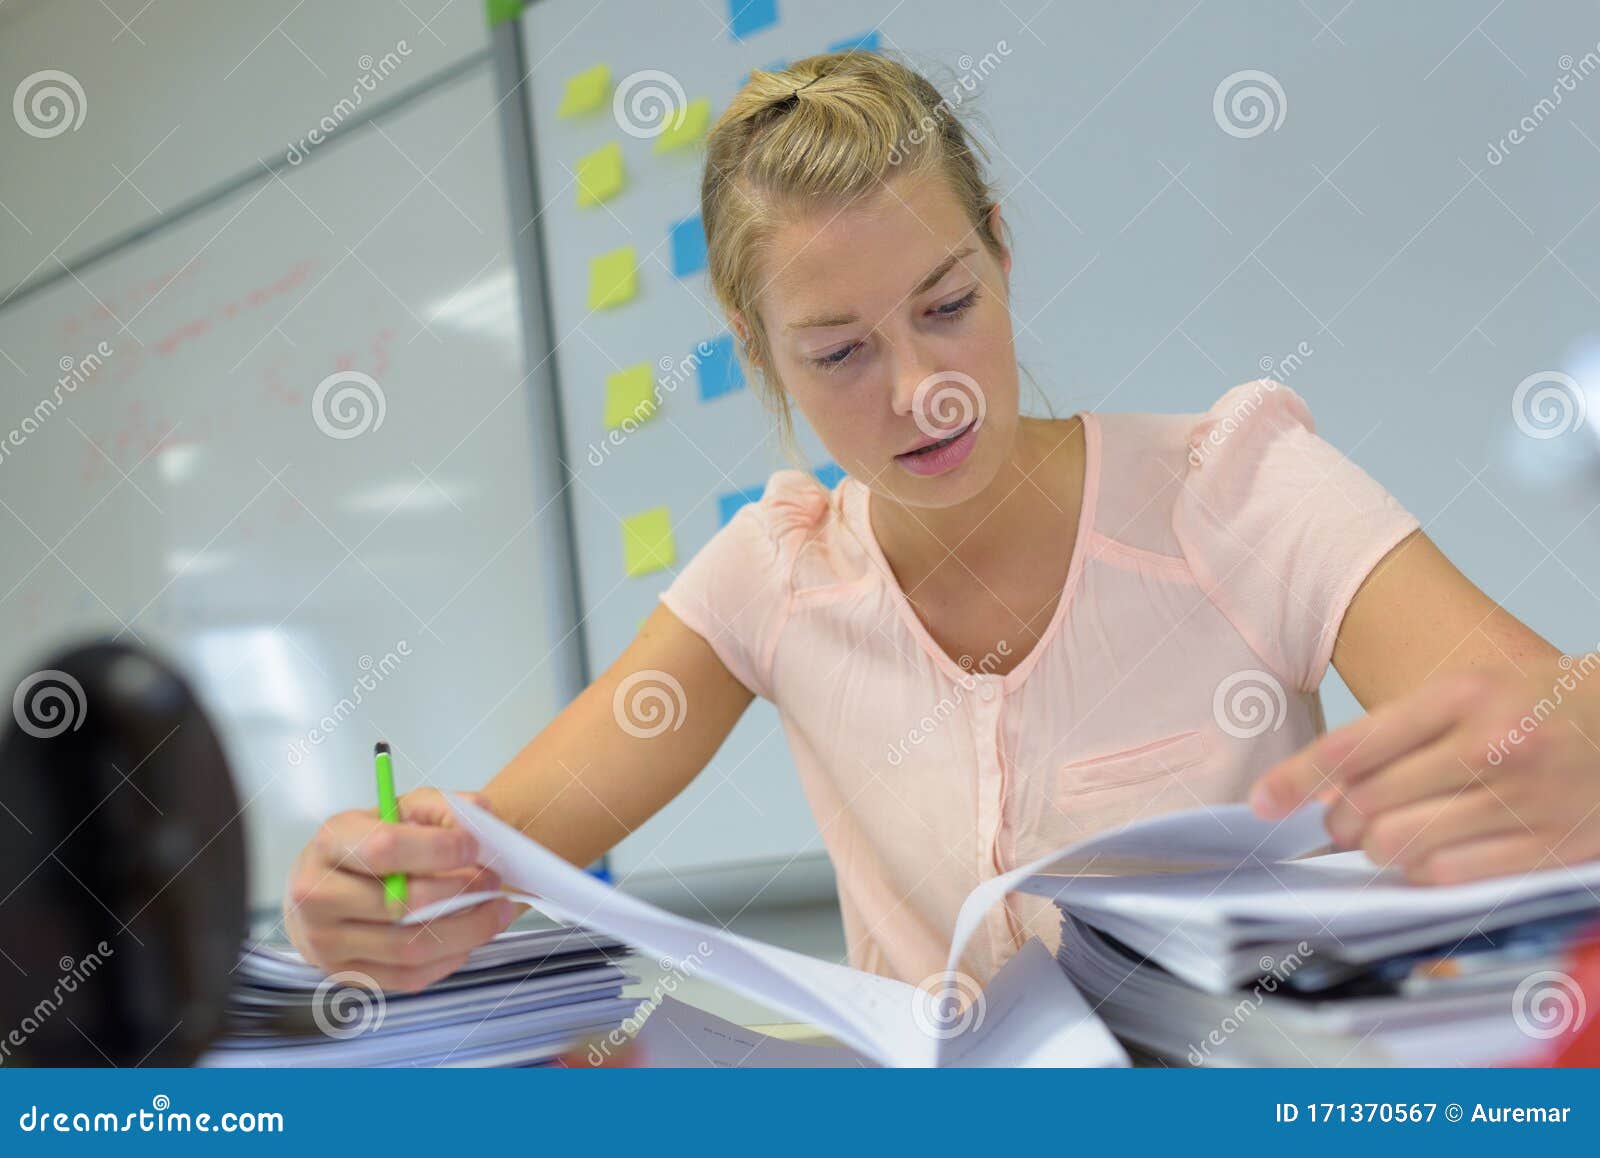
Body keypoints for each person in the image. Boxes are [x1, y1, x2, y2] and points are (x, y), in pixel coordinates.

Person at [284, 50, 1600, 994]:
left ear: (1003, 253)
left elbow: (1543, 718)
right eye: (840, 351)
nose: (923, 390)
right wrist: (382, 888)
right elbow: (479, 859)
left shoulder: (1235, 486)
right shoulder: (771, 576)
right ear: (760, 354)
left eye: (948, 302)